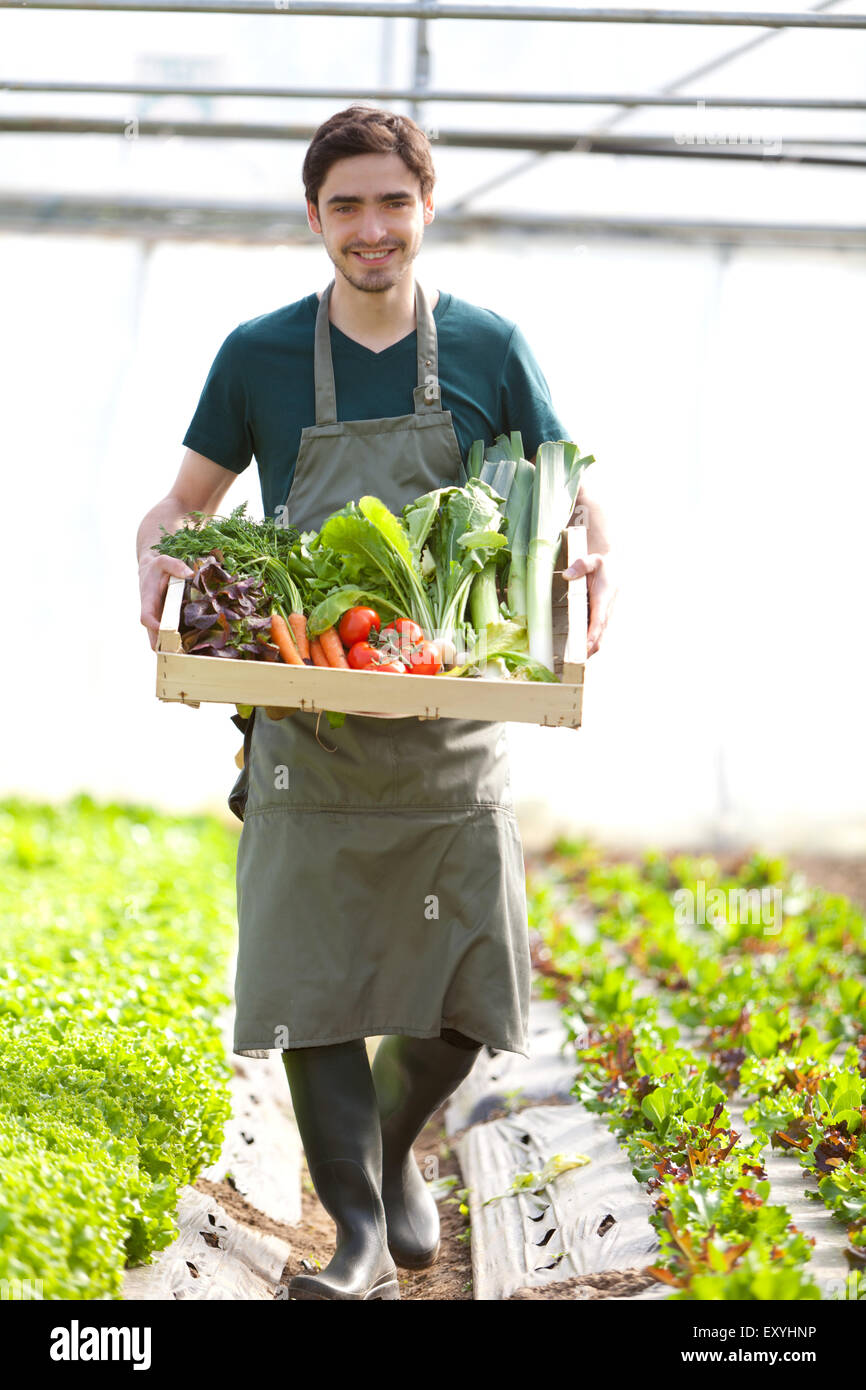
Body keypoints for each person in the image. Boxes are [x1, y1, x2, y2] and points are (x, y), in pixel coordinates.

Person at [136, 105, 617, 1301]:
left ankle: (398, 1144)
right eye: (344, 204)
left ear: (426, 208)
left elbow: (572, 498)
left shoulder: (491, 347)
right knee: (311, 984)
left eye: (390, 203)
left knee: (464, 988)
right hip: (308, 729)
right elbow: (181, 504)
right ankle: (352, 1234)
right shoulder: (256, 354)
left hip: (447, 732)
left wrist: (589, 565)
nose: (369, 228)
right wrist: (154, 557)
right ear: (314, 217)